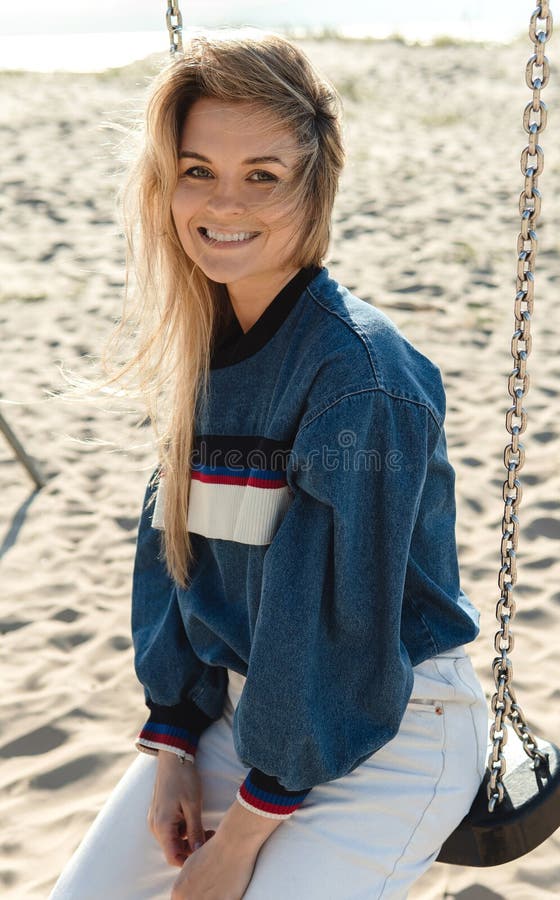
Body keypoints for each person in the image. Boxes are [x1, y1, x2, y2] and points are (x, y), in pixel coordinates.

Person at [49, 30, 488, 900]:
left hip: (392, 724)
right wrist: (173, 740)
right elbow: (172, 554)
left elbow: (335, 631)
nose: (224, 201)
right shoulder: (206, 348)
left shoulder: (358, 380)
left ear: (313, 184)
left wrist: (238, 839)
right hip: (262, 716)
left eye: (263, 174)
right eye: (197, 168)